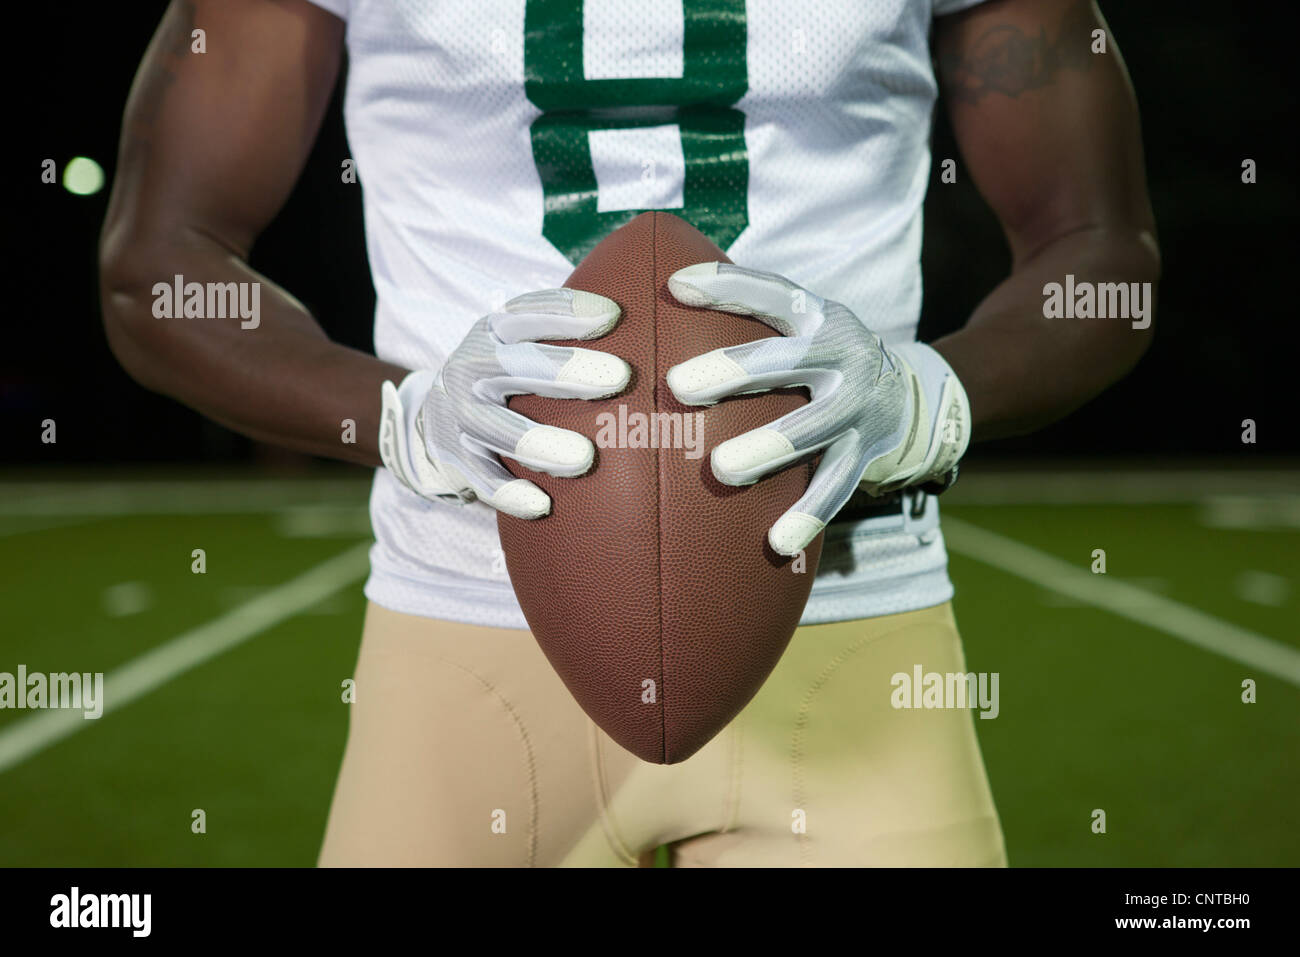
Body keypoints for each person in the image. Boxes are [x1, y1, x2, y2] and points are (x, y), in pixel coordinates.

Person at [99, 0, 1158, 866]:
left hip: (853, 625)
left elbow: (1100, 253)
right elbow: (157, 266)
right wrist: (403, 416)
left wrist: (928, 398)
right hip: (462, 627)